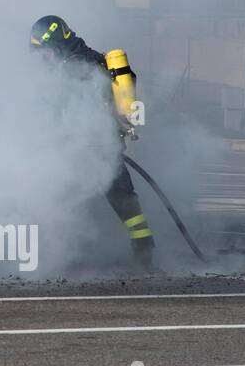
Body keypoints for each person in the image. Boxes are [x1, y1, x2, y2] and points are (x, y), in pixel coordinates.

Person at [29, 15, 155, 266]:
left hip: (91, 146)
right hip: (105, 145)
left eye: (46, 52)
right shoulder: (94, 59)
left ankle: (55, 255)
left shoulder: (76, 68)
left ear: (55, 44)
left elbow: (73, 110)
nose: (45, 60)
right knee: (123, 199)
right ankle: (143, 248)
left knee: (59, 194)